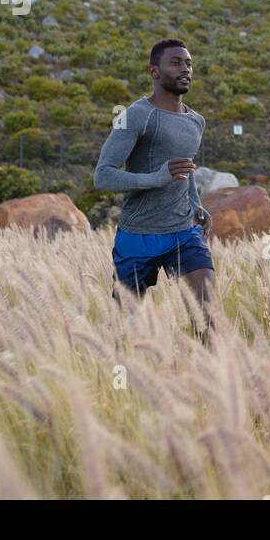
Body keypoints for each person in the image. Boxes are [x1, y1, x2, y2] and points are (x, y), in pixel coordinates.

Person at [94, 38, 216, 338]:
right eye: (175, 62)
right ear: (154, 71)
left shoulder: (196, 121)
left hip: (183, 233)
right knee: (124, 329)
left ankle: (205, 380)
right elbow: (103, 176)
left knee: (209, 318)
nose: (185, 69)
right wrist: (154, 179)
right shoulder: (135, 115)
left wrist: (196, 203)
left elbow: (182, 171)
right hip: (139, 236)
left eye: (188, 63)